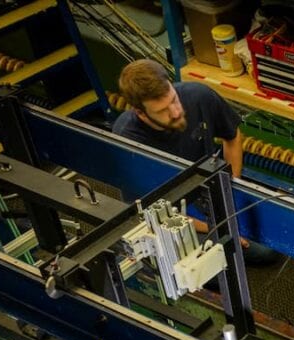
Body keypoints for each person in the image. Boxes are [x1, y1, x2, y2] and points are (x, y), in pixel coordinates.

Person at [112, 59, 276, 264]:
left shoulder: (199, 95)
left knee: (268, 250)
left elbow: (232, 137)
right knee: (209, 272)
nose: (175, 112)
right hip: (170, 212)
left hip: (208, 192)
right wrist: (217, 228)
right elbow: (149, 212)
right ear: (140, 113)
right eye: (162, 110)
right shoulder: (128, 142)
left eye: (173, 99)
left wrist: (230, 190)